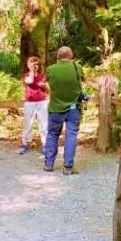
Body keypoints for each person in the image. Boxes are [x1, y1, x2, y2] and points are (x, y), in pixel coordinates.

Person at [43, 46, 83, 175]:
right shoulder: (77, 67)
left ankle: (49, 164)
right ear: (71, 56)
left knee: (52, 134)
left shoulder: (50, 70)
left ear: (57, 56)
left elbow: (44, 84)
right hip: (73, 108)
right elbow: (83, 82)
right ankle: (68, 167)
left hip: (55, 108)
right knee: (71, 136)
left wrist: (51, 92)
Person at [19, 56, 50, 154]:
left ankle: (45, 145)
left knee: (44, 124)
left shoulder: (42, 76)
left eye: (37, 64)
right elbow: (30, 81)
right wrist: (32, 71)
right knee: (28, 124)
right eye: (32, 64)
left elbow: (48, 91)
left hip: (42, 102)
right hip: (29, 103)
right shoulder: (26, 75)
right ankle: (25, 144)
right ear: (28, 65)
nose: (35, 66)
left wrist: (44, 86)